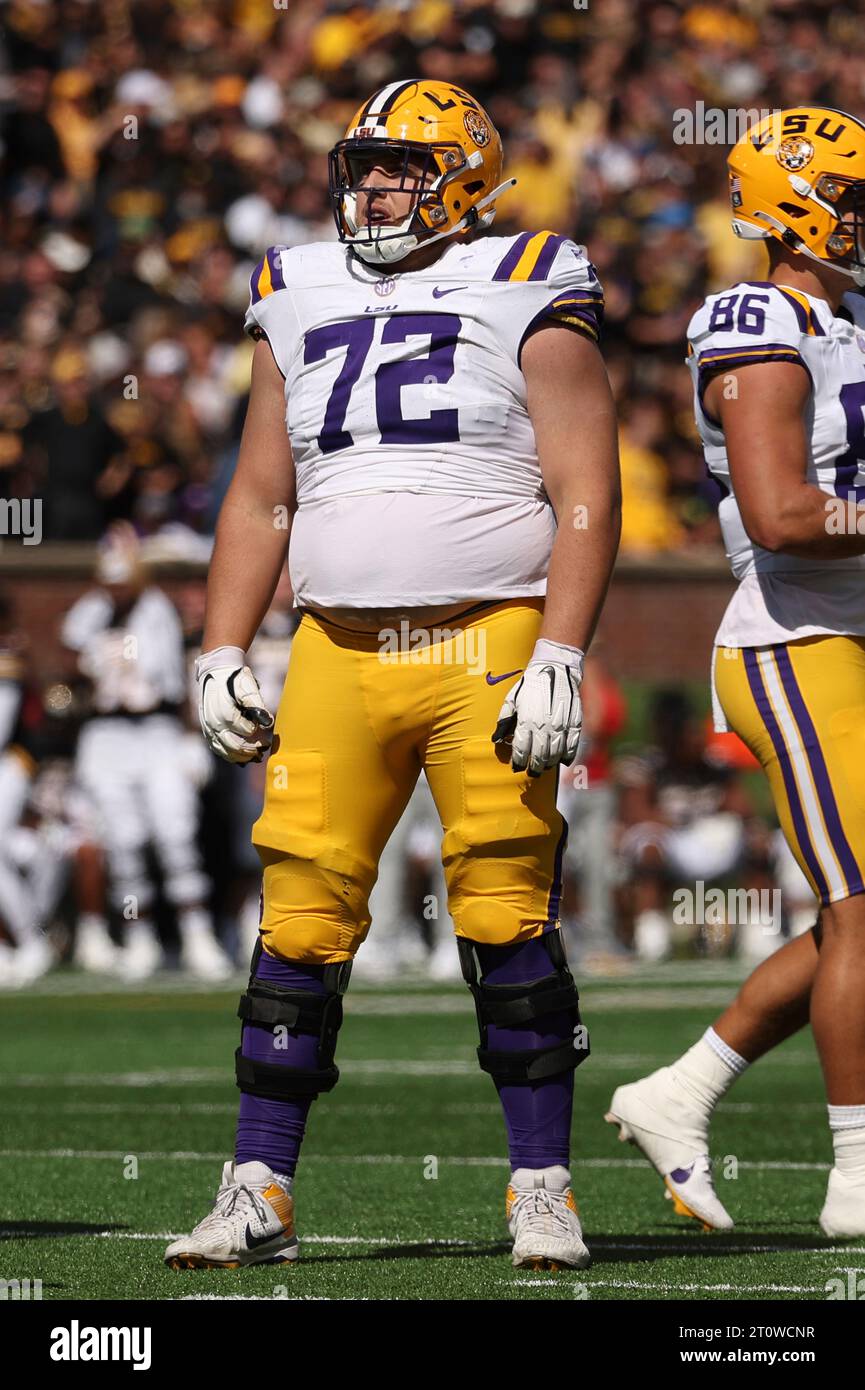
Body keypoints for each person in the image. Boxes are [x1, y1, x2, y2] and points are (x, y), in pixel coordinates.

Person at [166, 79, 620, 1273]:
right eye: (361, 165)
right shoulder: (295, 283)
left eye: (400, 167)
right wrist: (221, 643)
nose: (371, 187)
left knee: (505, 907)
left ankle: (541, 1187)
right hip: (336, 644)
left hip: (488, 635)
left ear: (461, 178)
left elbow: (586, 486)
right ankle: (258, 1185)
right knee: (298, 913)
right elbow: (259, 493)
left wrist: (561, 650)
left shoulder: (530, 271)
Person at [606, 106, 865, 1239]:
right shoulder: (753, 315)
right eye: (851, 199)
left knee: (858, 913)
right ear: (793, 207)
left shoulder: (847, 320)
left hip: (849, 639)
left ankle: (681, 1090)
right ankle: (856, 1176)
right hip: (794, 644)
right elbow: (782, 513)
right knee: (860, 909)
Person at [63, 525, 232, 982]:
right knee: (124, 843)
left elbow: (176, 677)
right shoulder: (92, 612)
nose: (117, 590)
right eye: (110, 582)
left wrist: (190, 738)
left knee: (175, 835)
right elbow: (68, 661)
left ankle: (197, 935)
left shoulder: (157, 611)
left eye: (124, 581)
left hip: (156, 732)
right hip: (106, 736)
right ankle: (139, 937)